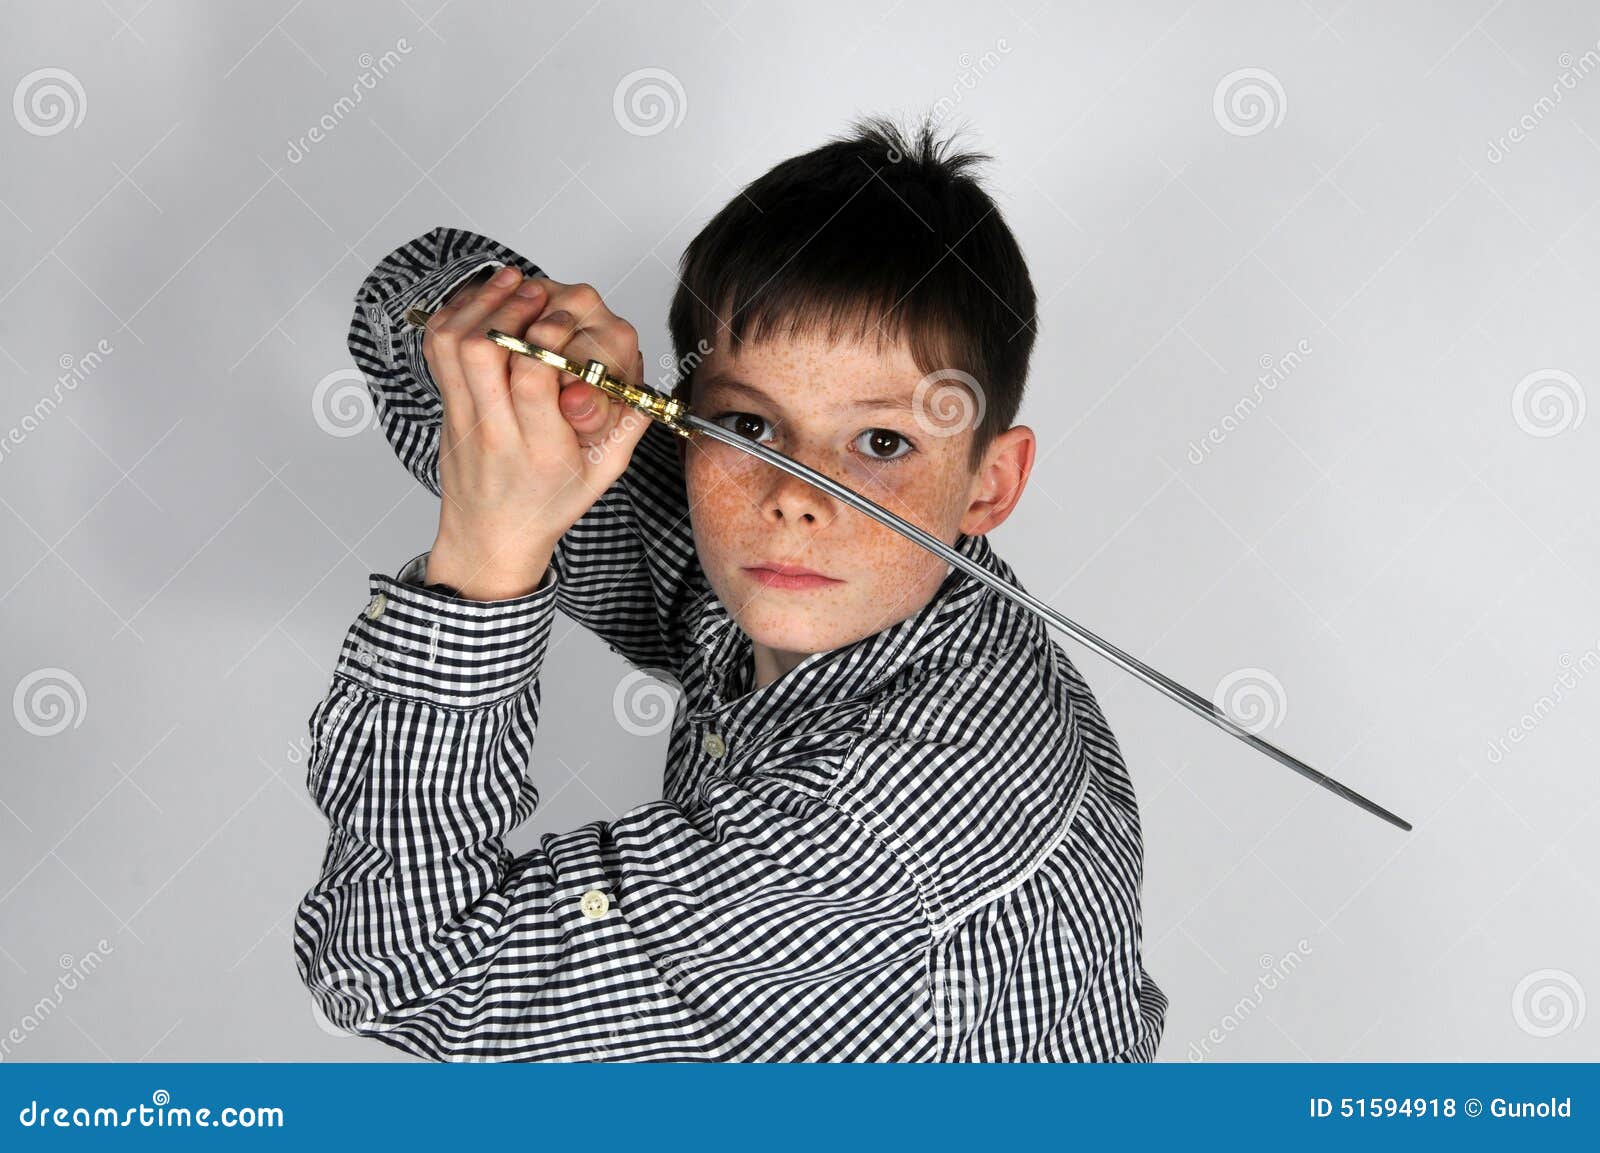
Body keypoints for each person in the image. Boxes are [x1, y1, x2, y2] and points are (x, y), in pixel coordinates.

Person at [292, 111, 1168, 1061]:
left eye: (881, 443)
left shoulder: (891, 811)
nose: (794, 497)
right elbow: (401, 329)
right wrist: (526, 342)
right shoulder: (829, 575)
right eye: (751, 425)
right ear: (681, 418)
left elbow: (394, 971)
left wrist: (486, 547)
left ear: (988, 484)